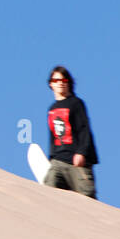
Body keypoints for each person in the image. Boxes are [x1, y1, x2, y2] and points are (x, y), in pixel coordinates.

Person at [43, 65, 99, 199]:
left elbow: (84, 129)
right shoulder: (52, 109)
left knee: (86, 199)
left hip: (76, 162)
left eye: (64, 80)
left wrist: (81, 153)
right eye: (56, 81)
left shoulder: (76, 104)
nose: (60, 83)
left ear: (69, 83)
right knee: (48, 194)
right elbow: (53, 136)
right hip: (58, 161)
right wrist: (51, 158)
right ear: (51, 84)